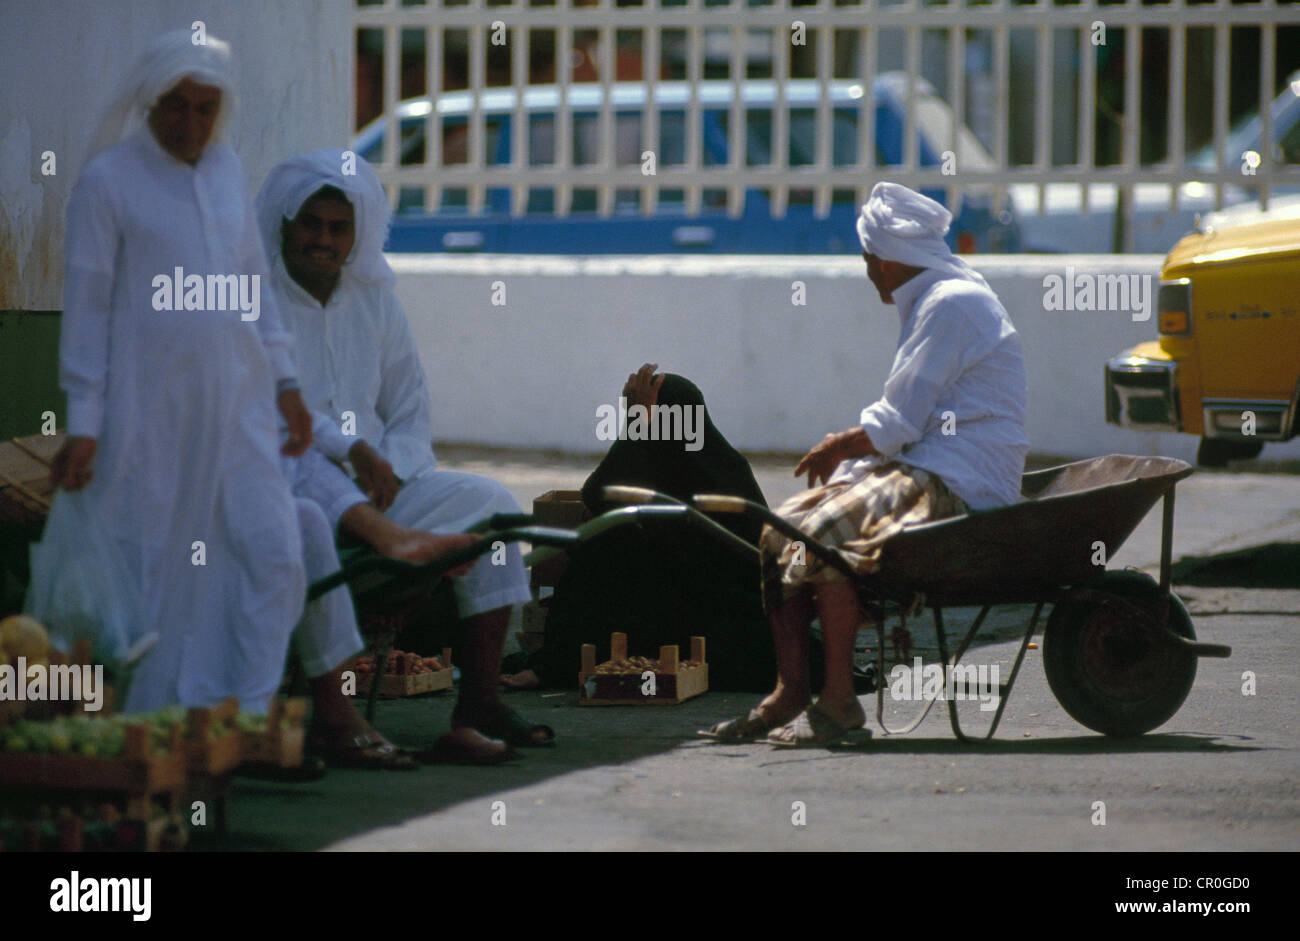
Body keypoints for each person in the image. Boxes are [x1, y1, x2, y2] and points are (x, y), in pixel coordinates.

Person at [701, 181, 1029, 747]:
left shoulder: (952, 304)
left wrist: (837, 446)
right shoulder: (936, 301)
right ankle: (791, 690)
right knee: (779, 535)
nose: (867, 272)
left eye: (867, 260)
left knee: (824, 538)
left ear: (885, 260)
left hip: (960, 477)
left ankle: (840, 703)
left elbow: (896, 422)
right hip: (925, 468)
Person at [41, 30, 313, 714]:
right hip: (148, 415)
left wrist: (286, 383)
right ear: (149, 102)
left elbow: (254, 288)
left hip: (241, 409)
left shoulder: (226, 173)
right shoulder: (109, 183)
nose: (190, 123)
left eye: (204, 108)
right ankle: (150, 729)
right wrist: (85, 423)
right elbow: (89, 308)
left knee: (274, 551)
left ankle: (242, 715)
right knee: (155, 575)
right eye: (175, 106)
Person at [255, 149, 549, 762]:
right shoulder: (255, 302)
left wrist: (394, 472)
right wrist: (353, 459)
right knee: (303, 519)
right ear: (285, 224)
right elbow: (276, 422)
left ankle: (480, 703)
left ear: (357, 234)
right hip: (290, 485)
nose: (323, 240)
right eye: (311, 224)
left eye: (338, 228)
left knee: (492, 506)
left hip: (385, 484)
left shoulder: (376, 298)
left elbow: (410, 408)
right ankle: (331, 717)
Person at [499, 366, 785, 693]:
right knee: (612, 539)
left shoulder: (712, 472)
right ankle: (560, 663)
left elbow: (600, 494)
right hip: (704, 625)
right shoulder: (706, 463)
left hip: (720, 620)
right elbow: (602, 495)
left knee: (604, 544)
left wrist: (636, 423)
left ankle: (555, 666)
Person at [283, 446, 479, 771]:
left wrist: (365, 456)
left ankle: (480, 707)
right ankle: (331, 715)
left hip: (373, 483)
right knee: (301, 507)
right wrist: (350, 448)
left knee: (308, 518)